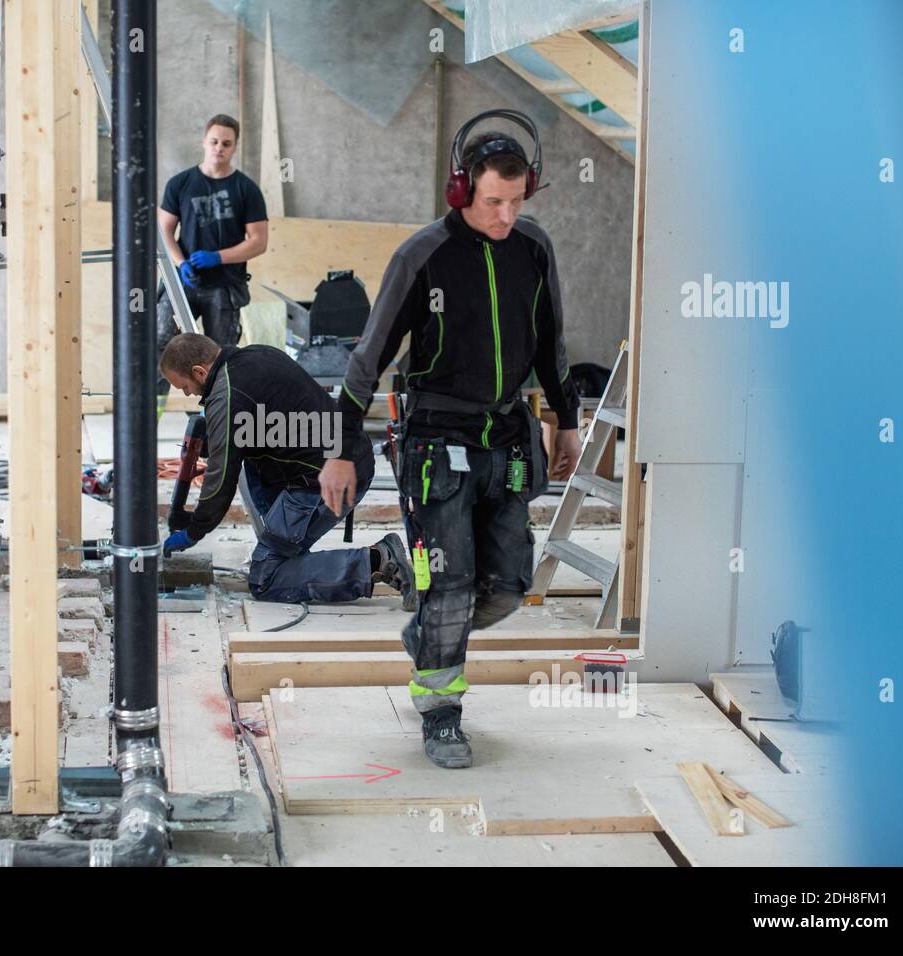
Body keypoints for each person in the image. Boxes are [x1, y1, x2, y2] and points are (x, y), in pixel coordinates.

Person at [319, 110, 583, 768]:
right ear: (462, 190)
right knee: (453, 583)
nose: (504, 216)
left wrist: (567, 419)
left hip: (507, 435)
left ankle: (431, 633)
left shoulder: (533, 248)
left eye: (517, 202)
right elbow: (367, 357)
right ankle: (440, 711)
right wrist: (338, 450)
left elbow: (551, 343)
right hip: (436, 435)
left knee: (509, 583)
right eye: (492, 201)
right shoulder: (423, 255)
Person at [160, 333, 416, 610]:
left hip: (324, 480)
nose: (187, 394)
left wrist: (196, 529)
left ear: (199, 371)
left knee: (266, 578)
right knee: (256, 476)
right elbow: (264, 424)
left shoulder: (227, 394)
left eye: (184, 386)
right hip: (343, 456)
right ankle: (286, 552)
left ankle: (378, 560)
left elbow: (221, 479)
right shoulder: (257, 353)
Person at [156, 115, 270, 418]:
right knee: (157, 340)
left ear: (235, 148)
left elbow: (259, 241)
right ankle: (149, 417)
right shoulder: (181, 183)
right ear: (204, 142)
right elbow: (163, 230)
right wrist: (180, 263)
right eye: (214, 141)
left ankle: (216, 419)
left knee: (219, 357)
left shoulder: (246, 189)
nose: (219, 148)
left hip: (224, 285)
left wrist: (218, 257)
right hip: (184, 283)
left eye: (227, 143)